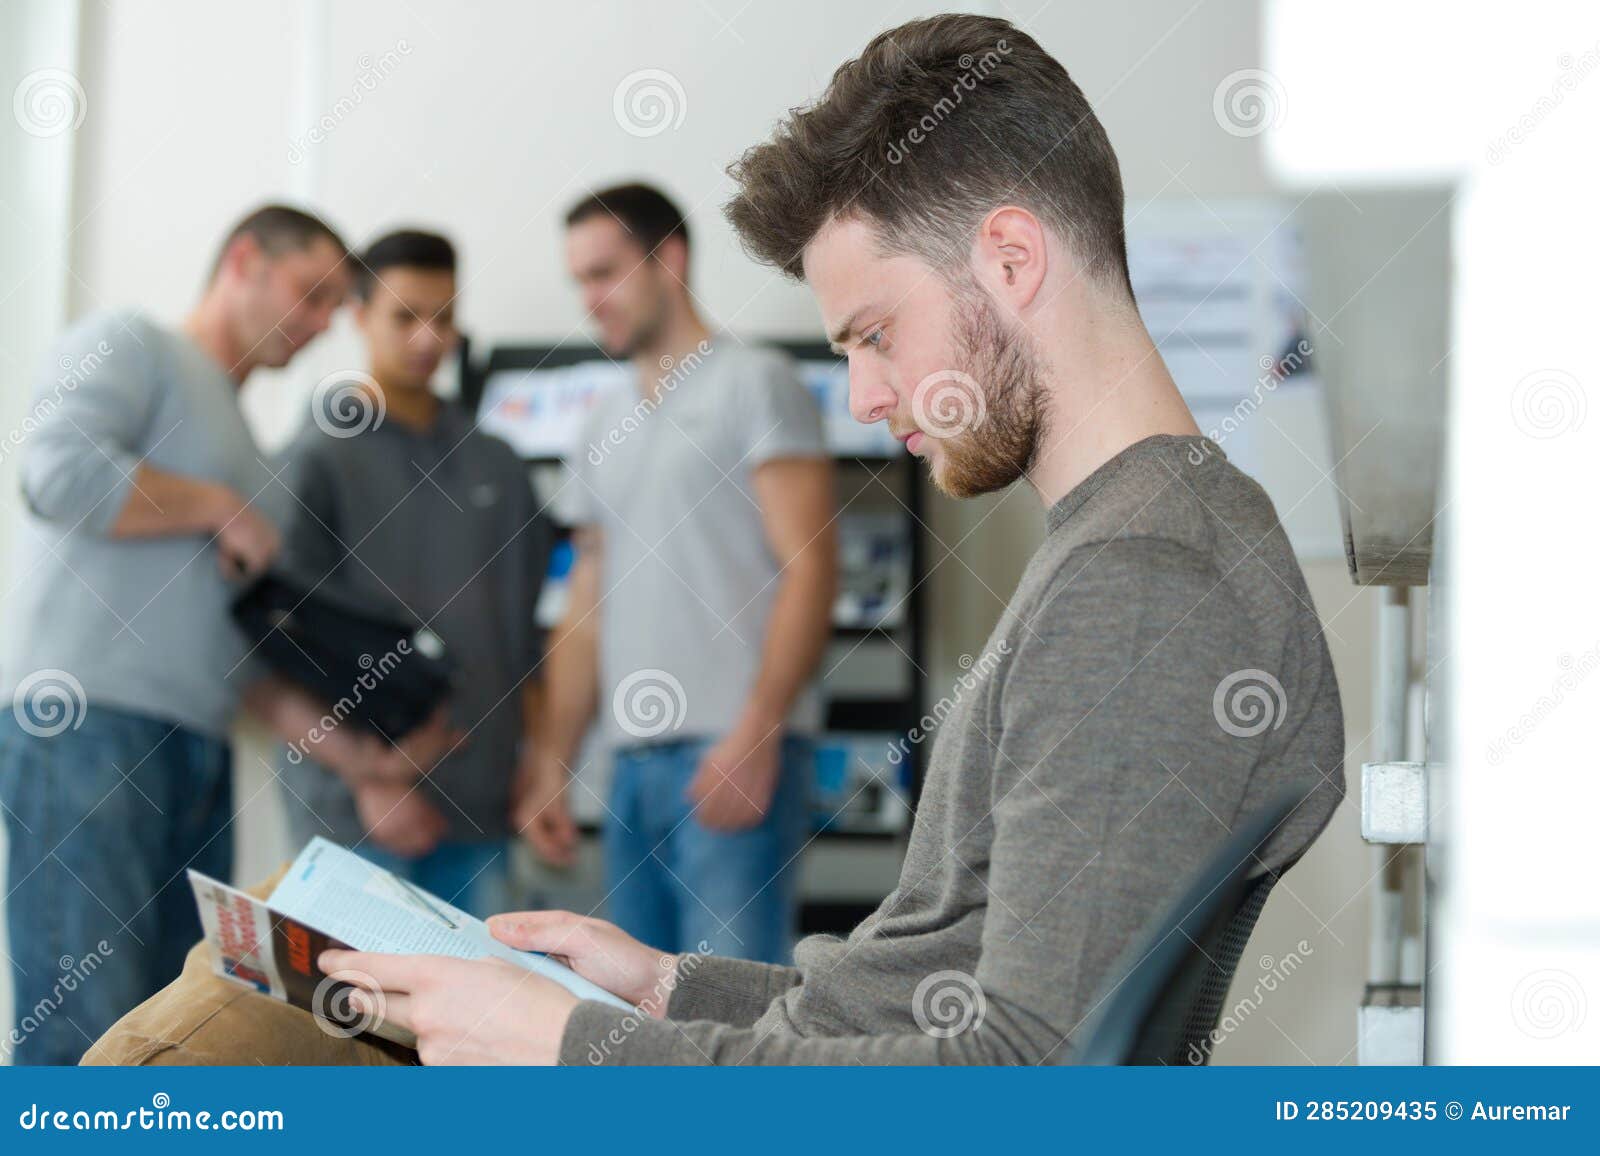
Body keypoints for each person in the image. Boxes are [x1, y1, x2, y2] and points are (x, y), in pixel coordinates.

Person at [90, 12, 1346, 1067]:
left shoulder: (1142, 581)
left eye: (872, 332)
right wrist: (664, 989)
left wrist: (572, 1046)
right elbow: (940, 997)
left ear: (1009, 258)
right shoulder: (1129, 549)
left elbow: (1011, 1074)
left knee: (199, 1053)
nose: (860, 394)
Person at [0, 206, 450, 1066]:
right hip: (87, 727)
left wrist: (362, 762)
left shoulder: (253, 452)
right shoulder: (134, 343)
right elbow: (52, 470)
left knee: (169, 1030)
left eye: (332, 307)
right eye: (309, 293)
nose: (321, 323)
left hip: (195, 747)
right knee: (80, 1025)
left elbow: (237, 658)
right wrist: (216, 507)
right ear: (243, 260)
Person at [517, 183, 837, 964]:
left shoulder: (756, 383)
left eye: (605, 273)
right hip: (628, 768)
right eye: (580, 281)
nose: (591, 299)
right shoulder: (598, 424)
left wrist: (758, 733)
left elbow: (812, 568)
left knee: (728, 1016)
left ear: (670, 259)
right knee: (633, 1018)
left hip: (730, 754)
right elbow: (585, 607)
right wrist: (553, 768)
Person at [273, 228, 553, 917]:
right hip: (355, 817)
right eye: (405, 316)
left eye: (444, 316)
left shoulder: (498, 464)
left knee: (480, 1020)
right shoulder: (317, 457)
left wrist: (544, 763)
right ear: (359, 316)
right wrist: (367, 780)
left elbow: (532, 637)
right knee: (347, 1018)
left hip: (483, 808)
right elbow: (283, 639)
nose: (428, 337)